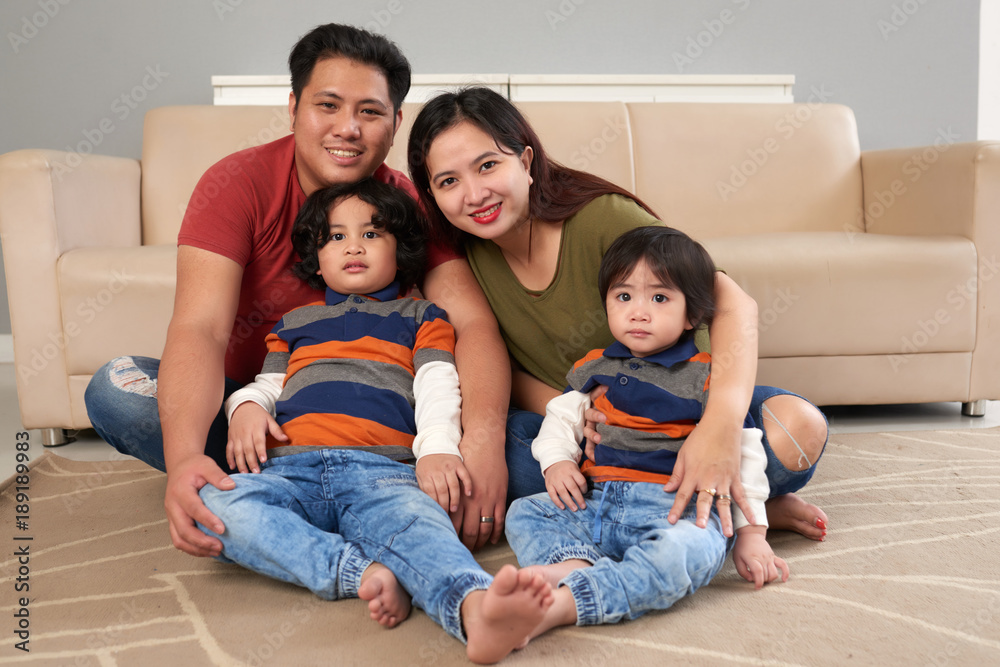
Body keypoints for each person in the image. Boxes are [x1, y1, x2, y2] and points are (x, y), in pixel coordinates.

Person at [84, 24, 509, 559]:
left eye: (371, 112)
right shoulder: (238, 182)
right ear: (292, 107)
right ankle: (312, 493)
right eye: (327, 105)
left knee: (522, 451)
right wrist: (187, 455)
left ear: (396, 123)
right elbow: (201, 328)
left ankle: (319, 497)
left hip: (388, 422)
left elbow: (470, 323)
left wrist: (481, 444)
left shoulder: (407, 203)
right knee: (114, 391)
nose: (348, 129)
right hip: (262, 416)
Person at [407, 87, 829, 541]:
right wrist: (575, 412)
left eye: (487, 165)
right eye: (448, 181)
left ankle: (695, 495)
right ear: (431, 194)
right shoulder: (459, 262)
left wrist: (719, 428)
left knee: (797, 428)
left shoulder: (601, 218)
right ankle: (735, 505)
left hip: (682, 409)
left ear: (526, 162)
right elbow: (502, 365)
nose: (474, 194)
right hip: (595, 431)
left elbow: (732, 304)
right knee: (496, 459)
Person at [200, 178, 552, 664]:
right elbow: (269, 385)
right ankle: (357, 572)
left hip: (383, 472)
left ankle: (476, 607)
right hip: (288, 469)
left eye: (371, 234)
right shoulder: (295, 324)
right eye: (336, 237)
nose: (353, 247)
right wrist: (245, 408)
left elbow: (437, 384)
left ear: (401, 249)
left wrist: (436, 450)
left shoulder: (420, 315)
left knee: (420, 528)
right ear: (316, 255)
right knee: (216, 505)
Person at [506, 226, 788, 635]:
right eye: (623, 297)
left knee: (689, 552)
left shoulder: (707, 377)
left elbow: (743, 456)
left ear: (693, 314)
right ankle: (572, 564)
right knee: (526, 512)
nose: (638, 312)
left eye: (659, 298)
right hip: (596, 502)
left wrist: (752, 534)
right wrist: (554, 463)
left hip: (673, 510)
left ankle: (570, 602)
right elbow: (562, 416)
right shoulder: (596, 366)